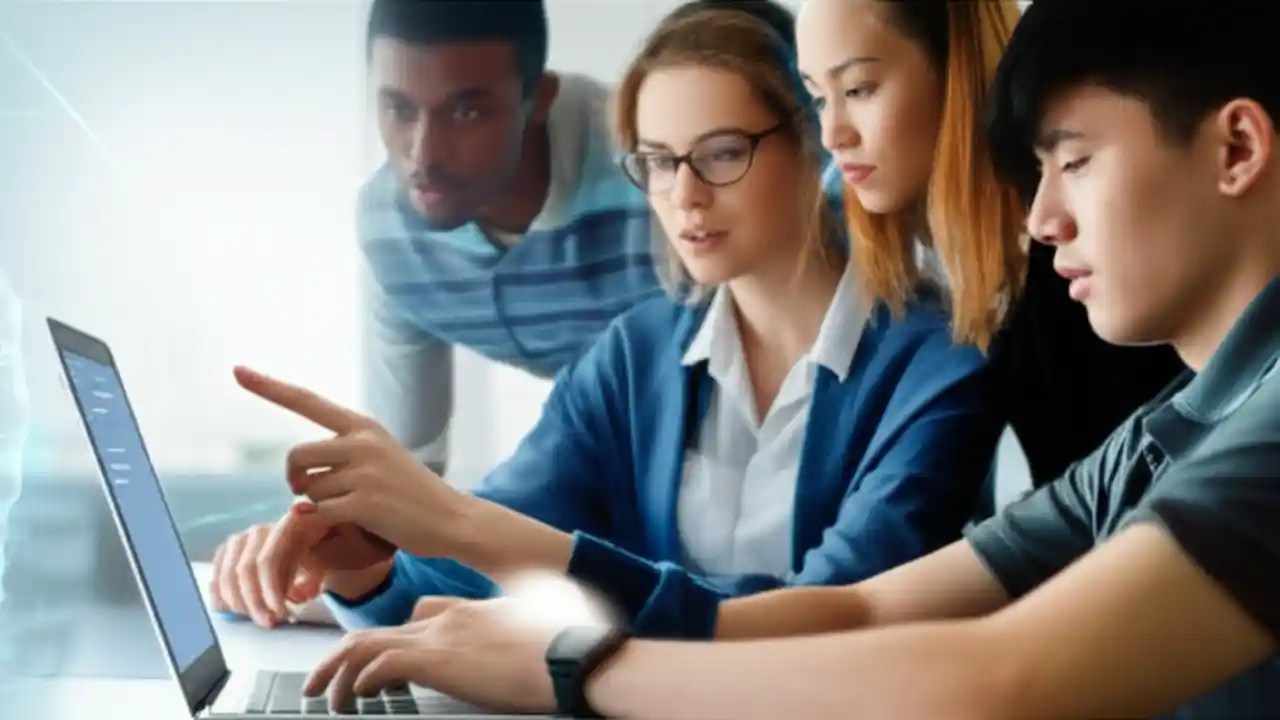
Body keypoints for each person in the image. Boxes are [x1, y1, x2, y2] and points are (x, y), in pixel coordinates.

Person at [298, 0, 1280, 717]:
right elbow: (851, 610)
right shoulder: (1162, 433)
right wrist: (398, 573)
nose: (1038, 217)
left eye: (1071, 161)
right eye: (655, 162)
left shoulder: (969, 360)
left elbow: (988, 674)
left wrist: (575, 672)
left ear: (1235, 148)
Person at [218, 2, 1003, 648]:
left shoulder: (941, 362)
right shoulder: (636, 353)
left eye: (721, 153)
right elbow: (488, 552)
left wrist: (475, 535)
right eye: (659, 161)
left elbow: (836, 614)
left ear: (814, 144)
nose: (684, 196)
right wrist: (369, 568)